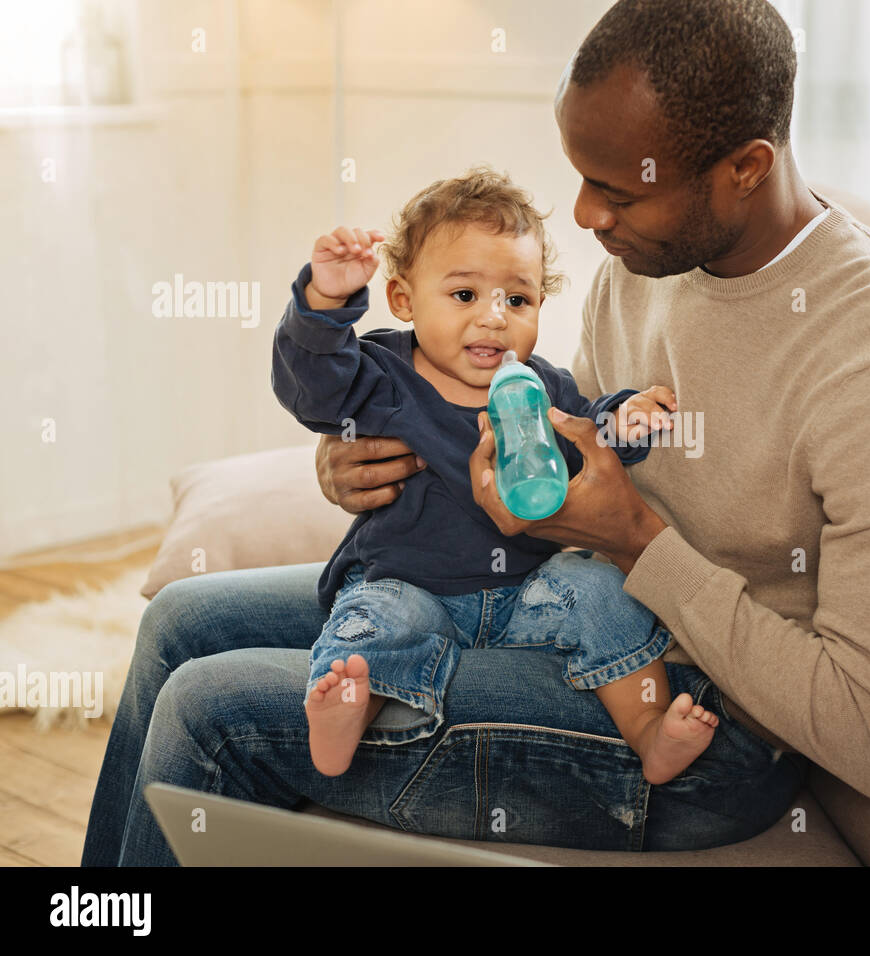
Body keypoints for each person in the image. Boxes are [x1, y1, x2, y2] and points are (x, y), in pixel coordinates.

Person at [82, 0, 870, 866]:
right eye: (582, 175)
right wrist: (350, 453)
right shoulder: (657, 252)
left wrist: (634, 537)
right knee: (178, 621)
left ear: (745, 166)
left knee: (211, 707)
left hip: (708, 721)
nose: (584, 217)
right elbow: (550, 420)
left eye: (617, 190)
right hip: (551, 595)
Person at [273, 167, 718, 780]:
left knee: (598, 588)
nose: (493, 318)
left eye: (518, 299)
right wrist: (325, 302)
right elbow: (312, 387)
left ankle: (648, 729)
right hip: (413, 586)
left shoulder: (544, 386)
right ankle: (350, 706)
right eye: (464, 296)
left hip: (530, 597)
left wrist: (626, 418)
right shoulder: (380, 374)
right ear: (403, 299)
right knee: (378, 619)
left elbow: (588, 434)